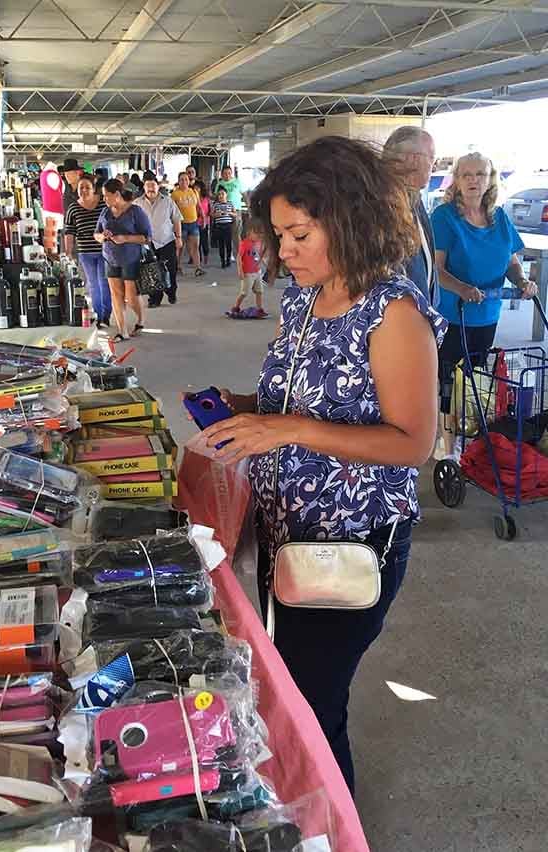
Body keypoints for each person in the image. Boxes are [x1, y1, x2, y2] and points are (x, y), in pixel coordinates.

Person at [197, 136, 447, 796]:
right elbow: (300, 398)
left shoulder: (392, 313)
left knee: (312, 705)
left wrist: (287, 428)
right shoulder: (305, 298)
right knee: (285, 683)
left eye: (299, 234)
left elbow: (412, 442)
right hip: (286, 533)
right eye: (279, 235)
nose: (284, 252)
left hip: (352, 545)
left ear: (348, 221)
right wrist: (250, 408)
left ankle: (329, 826)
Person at [432, 152, 538, 459]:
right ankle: (447, 447)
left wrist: (521, 282)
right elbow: (437, 270)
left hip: (488, 313)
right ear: (457, 179)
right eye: (466, 174)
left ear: (490, 180)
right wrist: (463, 288)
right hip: (454, 315)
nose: (473, 180)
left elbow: (511, 262)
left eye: (480, 174)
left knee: (476, 378)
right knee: (449, 382)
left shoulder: (499, 216)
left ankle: (468, 440)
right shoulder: (444, 216)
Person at [383, 126, 439, 307]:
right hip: (399, 316)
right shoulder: (383, 202)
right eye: (431, 157)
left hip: (419, 312)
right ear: (413, 159)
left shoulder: (413, 197)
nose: (434, 165)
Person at [95, 178, 151, 341]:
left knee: (131, 295)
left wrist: (125, 238)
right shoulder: (105, 212)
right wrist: (102, 237)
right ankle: (122, 331)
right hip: (110, 257)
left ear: (117, 194)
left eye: (106, 196)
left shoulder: (135, 212)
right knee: (116, 295)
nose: (104, 199)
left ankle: (140, 320)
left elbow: (147, 237)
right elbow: (96, 233)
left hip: (131, 258)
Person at [63, 175, 111, 329]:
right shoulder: (73, 208)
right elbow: (69, 232)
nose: (84, 190)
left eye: (87, 187)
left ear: (93, 188)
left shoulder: (104, 203)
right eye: (81, 187)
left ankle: (106, 315)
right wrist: (68, 252)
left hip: (104, 250)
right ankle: (98, 315)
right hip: (85, 252)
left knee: (104, 282)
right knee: (93, 284)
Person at [134, 175, 182, 307]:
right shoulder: (137, 203)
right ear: (143, 187)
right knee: (151, 271)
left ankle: (171, 292)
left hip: (167, 241)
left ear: (158, 186)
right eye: (147, 186)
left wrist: (179, 237)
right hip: (147, 244)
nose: (150, 189)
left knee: (170, 270)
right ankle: (154, 299)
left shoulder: (168, 201)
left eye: (153, 185)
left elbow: (176, 219)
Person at [229, 222, 267, 317]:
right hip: (248, 273)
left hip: (257, 271)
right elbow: (239, 257)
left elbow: (262, 254)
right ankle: (236, 307)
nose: (258, 236)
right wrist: (240, 271)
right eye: (256, 234)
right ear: (249, 232)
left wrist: (262, 263)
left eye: (260, 234)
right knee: (244, 292)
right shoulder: (244, 244)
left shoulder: (259, 243)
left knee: (259, 291)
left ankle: (259, 309)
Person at [171, 172, 203, 277]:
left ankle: (198, 268)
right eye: (182, 179)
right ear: (178, 181)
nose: (184, 181)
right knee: (180, 247)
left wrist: (202, 217)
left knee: (195, 246)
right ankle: (178, 266)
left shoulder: (193, 192)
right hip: (181, 224)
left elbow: (198, 206)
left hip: (193, 223)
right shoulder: (175, 194)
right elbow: (171, 210)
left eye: (186, 179)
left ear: (189, 181)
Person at [216, 165, 244, 250]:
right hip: (223, 211)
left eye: (229, 173)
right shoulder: (219, 184)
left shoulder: (237, 182)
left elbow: (244, 194)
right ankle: (229, 253)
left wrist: (249, 205)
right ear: (221, 174)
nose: (227, 175)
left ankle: (239, 254)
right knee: (226, 233)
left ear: (231, 173)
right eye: (225, 173)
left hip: (236, 210)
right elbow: (216, 197)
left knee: (236, 233)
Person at [211, 187, 235, 268]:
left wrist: (229, 213)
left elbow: (235, 214)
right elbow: (211, 214)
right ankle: (222, 261)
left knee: (228, 244)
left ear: (226, 195)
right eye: (219, 194)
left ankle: (228, 259)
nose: (221, 196)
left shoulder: (230, 203)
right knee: (221, 245)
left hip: (228, 226)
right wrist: (216, 215)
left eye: (222, 194)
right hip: (219, 226)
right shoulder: (216, 204)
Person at [195, 180, 211, 266]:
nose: (196, 189)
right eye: (195, 187)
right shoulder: (193, 197)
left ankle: (206, 256)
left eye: (198, 187)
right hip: (195, 222)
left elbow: (209, 210)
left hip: (205, 222)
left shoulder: (206, 199)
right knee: (197, 242)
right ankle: (198, 259)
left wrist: (205, 217)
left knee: (204, 241)